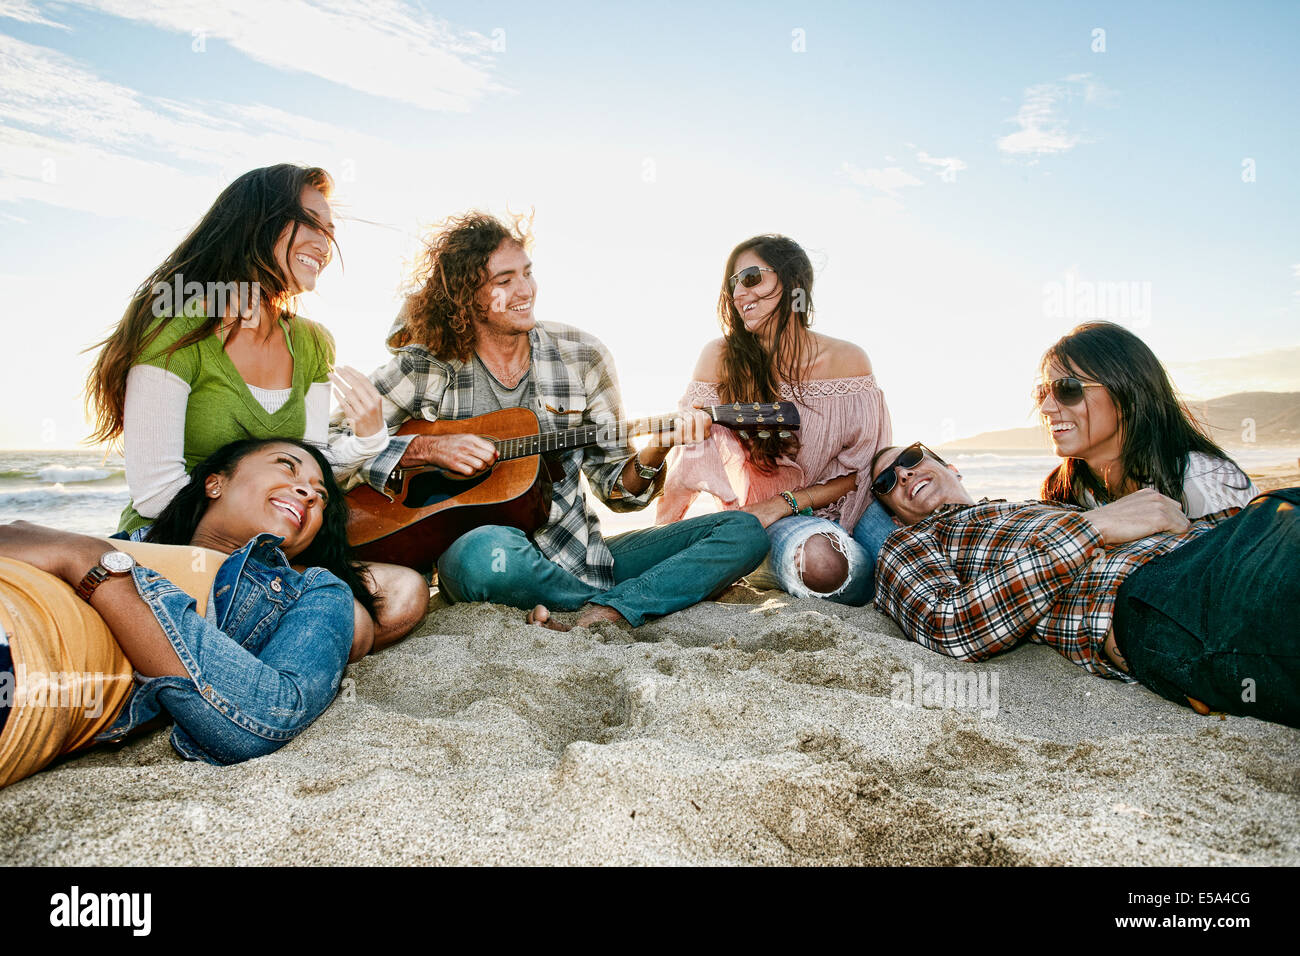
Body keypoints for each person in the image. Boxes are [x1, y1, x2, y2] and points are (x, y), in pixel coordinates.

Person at [330, 211, 770, 630]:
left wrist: (657, 448)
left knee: (743, 531)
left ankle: (602, 608)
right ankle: (624, 605)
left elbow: (619, 493)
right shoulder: (426, 366)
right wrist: (425, 449)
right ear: (469, 297)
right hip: (484, 558)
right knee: (485, 552)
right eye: (505, 280)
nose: (526, 290)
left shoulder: (582, 355)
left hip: (576, 554)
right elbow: (331, 445)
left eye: (527, 272)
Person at [84, 163, 428, 652]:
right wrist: (261, 531)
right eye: (309, 222)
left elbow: (307, 463)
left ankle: (226, 645)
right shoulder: (176, 329)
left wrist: (369, 439)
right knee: (348, 620)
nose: (324, 243)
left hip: (274, 550)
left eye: (329, 230)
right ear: (256, 222)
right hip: (181, 543)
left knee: (405, 592)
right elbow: (156, 493)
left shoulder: (312, 342)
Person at [0, 438, 366, 788]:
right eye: (287, 467)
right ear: (215, 484)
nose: (309, 494)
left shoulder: (314, 591)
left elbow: (270, 716)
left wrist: (94, 565)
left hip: (30, 667)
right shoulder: (129, 545)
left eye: (321, 496)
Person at [867, 441, 1298, 727]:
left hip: (1227, 539)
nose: (903, 475)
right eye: (886, 482)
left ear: (951, 467)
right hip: (1156, 597)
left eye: (910, 458)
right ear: (892, 513)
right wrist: (1093, 527)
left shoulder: (1032, 506)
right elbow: (952, 628)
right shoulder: (909, 542)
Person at [657, 235, 895, 605]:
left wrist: (786, 501)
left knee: (917, 547)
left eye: (751, 277)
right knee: (824, 564)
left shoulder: (849, 361)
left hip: (854, 505)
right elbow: (688, 465)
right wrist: (662, 544)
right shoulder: (720, 357)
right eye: (732, 283)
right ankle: (842, 579)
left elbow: (865, 469)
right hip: (773, 523)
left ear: (793, 283)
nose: (739, 293)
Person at [1037, 322, 1258, 518]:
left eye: (1067, 389)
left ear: (1129, 398)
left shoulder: (1199, 480)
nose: (1047, 407)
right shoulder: (1064, 490)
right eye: (1043, 392)